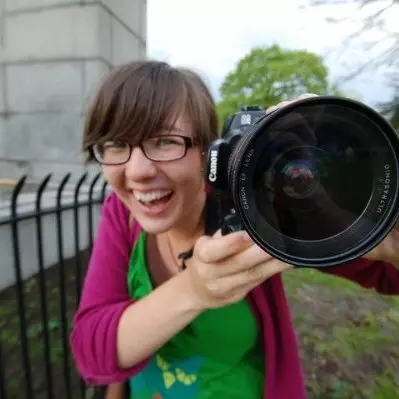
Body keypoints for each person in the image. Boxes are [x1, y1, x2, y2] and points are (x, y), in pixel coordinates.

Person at [70, 60, 399, 399]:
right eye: (115, 145)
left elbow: (389, 274)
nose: (137, 171)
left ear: (207, 152)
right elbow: (93, 353)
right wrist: (194, 289)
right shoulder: (122, 213)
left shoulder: (256, 212)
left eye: (165, 141)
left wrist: (375, 226)